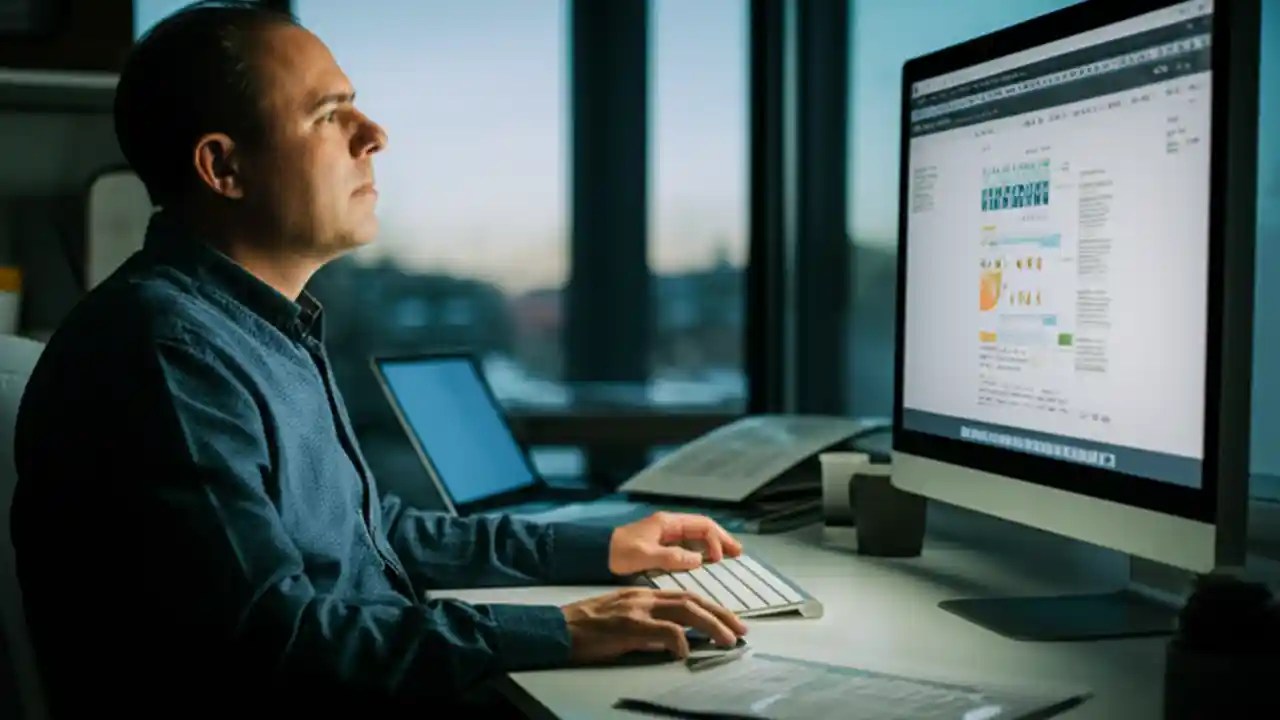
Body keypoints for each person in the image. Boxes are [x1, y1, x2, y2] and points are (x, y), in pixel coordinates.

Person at [8, 1, 746, 715]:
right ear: (223, 168)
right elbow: (277, 638)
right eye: (329, 116)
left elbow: (373, 531)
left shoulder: (256, 326)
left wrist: (600, 547)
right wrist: (560, 631)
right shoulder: (169, 353)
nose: (375, 134)